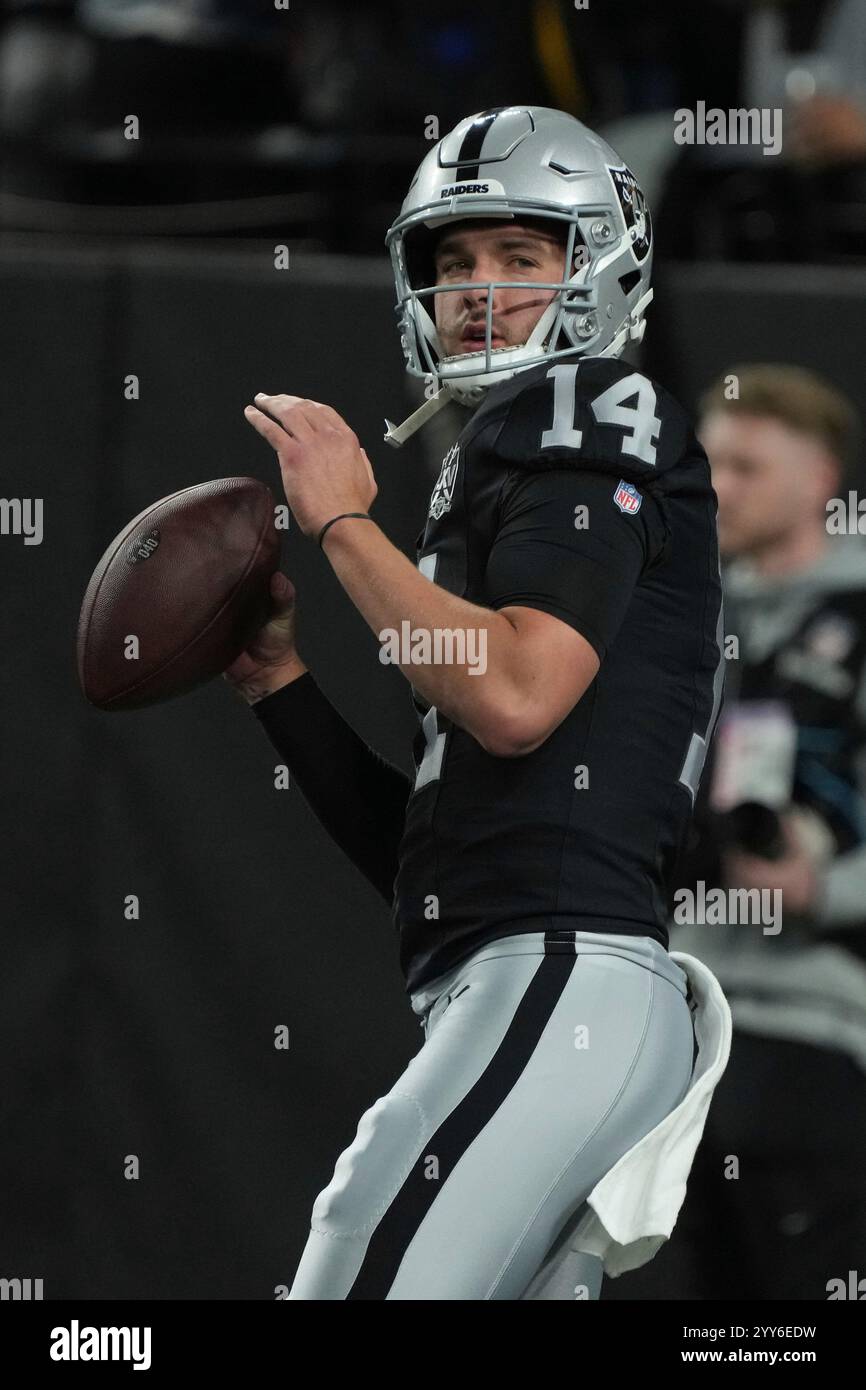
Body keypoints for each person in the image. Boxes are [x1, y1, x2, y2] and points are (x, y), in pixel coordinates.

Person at [224, 106, 728, 1300]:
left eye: (520, 255)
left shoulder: (588, 405)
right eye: (452, 262)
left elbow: (512, 695)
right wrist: (280, 687)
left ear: (599, 262)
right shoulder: (507, 445)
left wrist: (343, 522)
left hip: (563, 978)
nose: (478, 290)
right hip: (527, 977)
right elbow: (438, 850)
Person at [606, 363, 866, 1301]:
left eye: (748, 465)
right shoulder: (679, 624)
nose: (717, 487)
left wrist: (824, 889)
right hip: (677, 1035)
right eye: (708, 463)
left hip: (819, 1034)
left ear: (820, 481)